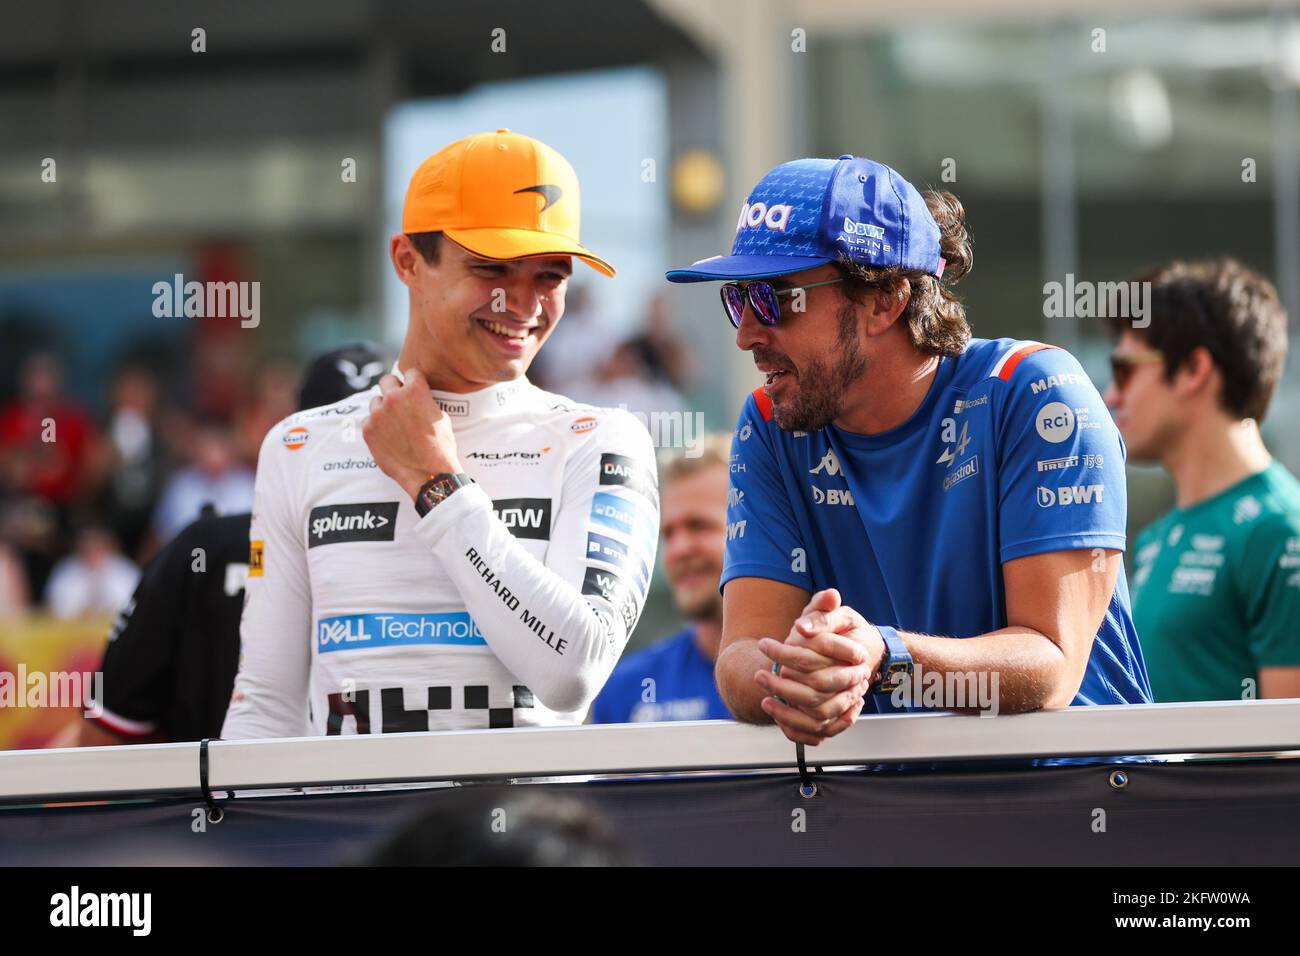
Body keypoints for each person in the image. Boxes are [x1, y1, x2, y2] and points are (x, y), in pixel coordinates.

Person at [665, 154, 1151, 747]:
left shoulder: (1034, 390)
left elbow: (1051, 663)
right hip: (894, 806)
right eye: (740, 298)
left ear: (885, 299)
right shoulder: (769, 422)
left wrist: (884, 658)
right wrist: (800, 676)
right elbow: (739, 654)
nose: (747, 333)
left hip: (1077, 798)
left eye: (776, 300)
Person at [221, 130, 658, 739]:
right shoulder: (299, 446)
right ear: (407, 261)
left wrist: (437, 485)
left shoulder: (599, 439)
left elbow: (572, 673)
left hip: (520, 828)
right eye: (492, 268)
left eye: (550, 276)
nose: (524, 303)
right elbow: (264, 706)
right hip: (354, 832)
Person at [79, 345, 388, 745]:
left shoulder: (204, 546)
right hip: (361, 800)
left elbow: (101, 742)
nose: (354, 456)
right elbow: (107, 732)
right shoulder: (203, 547)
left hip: (236, 800)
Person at [1104, 258, 1300, 702]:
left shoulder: (1281, 533)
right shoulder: (1159, 535)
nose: (1111, 395)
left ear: (1194, 369)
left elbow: (1288, 759)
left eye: (1125, 370)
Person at [592, 436, 731, 723]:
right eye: (668, 534)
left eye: (699, 526)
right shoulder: (625, 690)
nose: (678, 550)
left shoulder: (814, 678)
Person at [43, 524, 139, 619]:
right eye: (88, 546)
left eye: (97, 546)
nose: (93, 551)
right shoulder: (65, 569)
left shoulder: (125, 569)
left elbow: (132, 604)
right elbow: (55, 607)